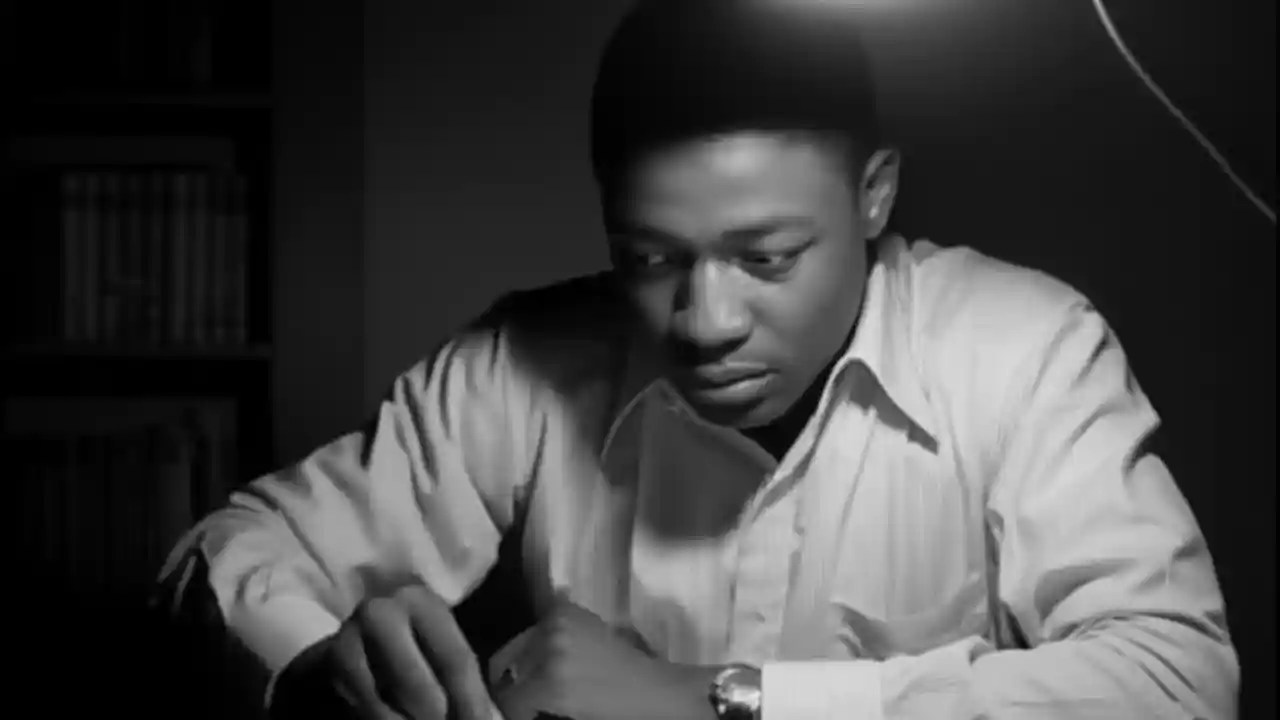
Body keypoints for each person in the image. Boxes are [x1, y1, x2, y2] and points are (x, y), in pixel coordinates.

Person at [153, 1, 1239, 718]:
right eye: (648, 256)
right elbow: (226, 549)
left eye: (764, 256)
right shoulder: (524, 360)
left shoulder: (1026, 348)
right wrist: (311, 669)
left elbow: (1175, 681)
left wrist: (719, 700)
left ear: (873, 195)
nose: (703, 318)